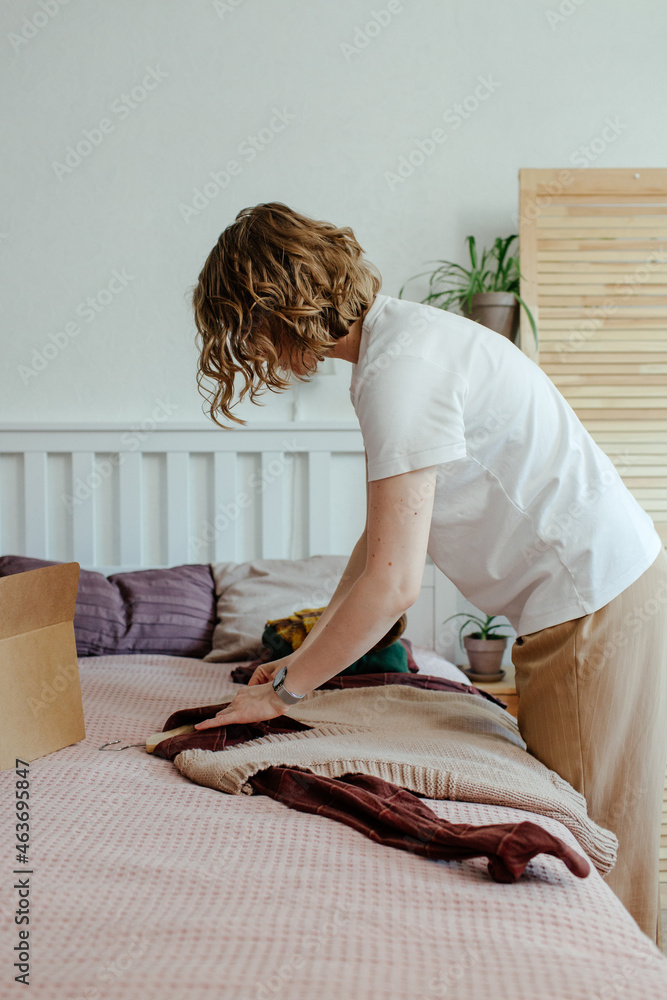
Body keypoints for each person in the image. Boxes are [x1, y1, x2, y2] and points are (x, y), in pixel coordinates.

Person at [190, 201, 667, 944]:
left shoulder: (399, 373)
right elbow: (377, 547)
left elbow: (393, 585)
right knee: (593, 822)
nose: (250, 351)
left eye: (243, 330)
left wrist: (284, 694)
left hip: (589, 600)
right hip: (590, 594)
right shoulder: (399, 346)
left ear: (274, 307)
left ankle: (626, 977)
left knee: (596, 837)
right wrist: (301, 657)